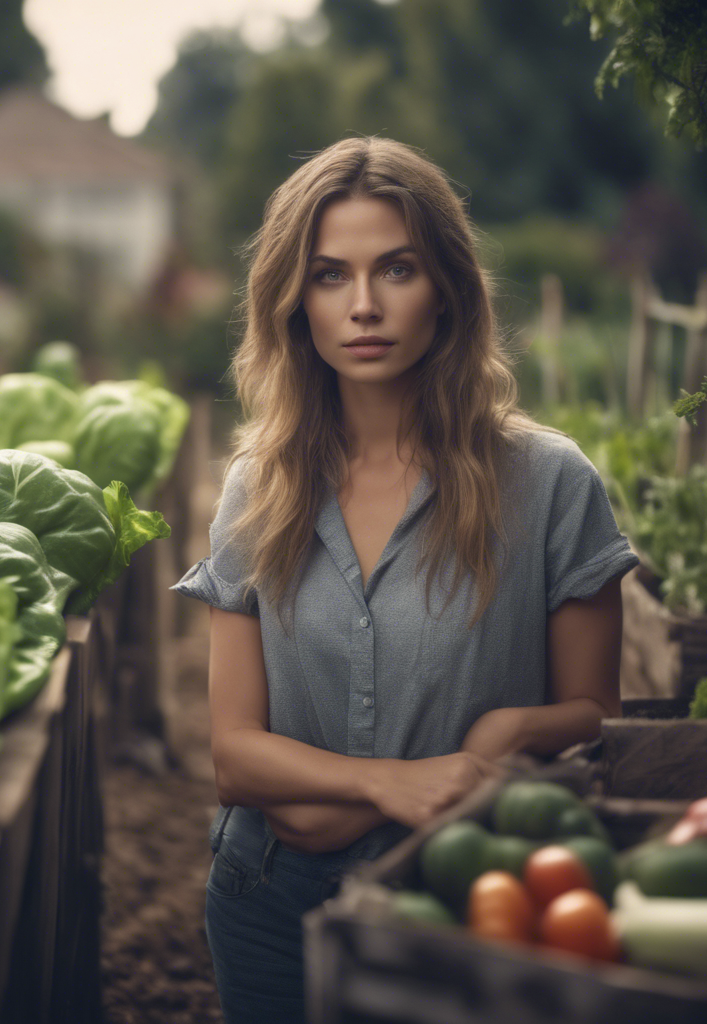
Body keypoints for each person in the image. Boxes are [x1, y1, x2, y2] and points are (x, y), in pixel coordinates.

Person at [172, 136, 638, 1024]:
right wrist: (391, 785)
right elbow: (234, 757)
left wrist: (505, 733)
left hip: (464, 898)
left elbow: (597, 718)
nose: (364, 307)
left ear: (448, 291)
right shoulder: (257, 486)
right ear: (293, 302)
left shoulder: (549, 483)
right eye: (329, 276)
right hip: (268, 903)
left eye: (396, 269)